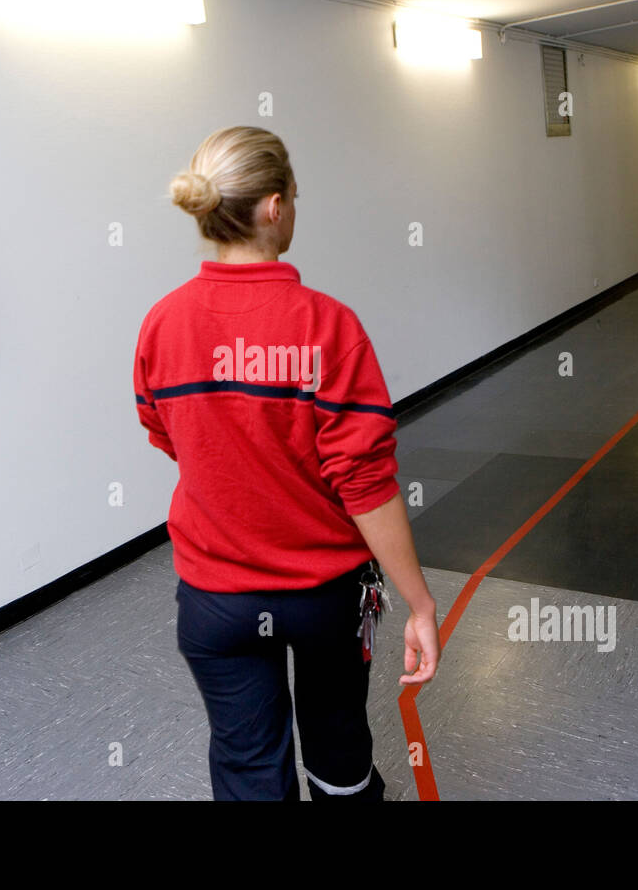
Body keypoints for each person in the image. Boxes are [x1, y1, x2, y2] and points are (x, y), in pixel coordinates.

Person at [133, 126, 440, 801]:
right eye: (295, 197)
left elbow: (167, 433)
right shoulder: (327, 325)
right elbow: (364, 484)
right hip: (322, 598)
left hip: (214, 600)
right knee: (337, 748)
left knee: (248, 768)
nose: (295, 209)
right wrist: (418, 601)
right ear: (273, 207)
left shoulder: (162, 323)